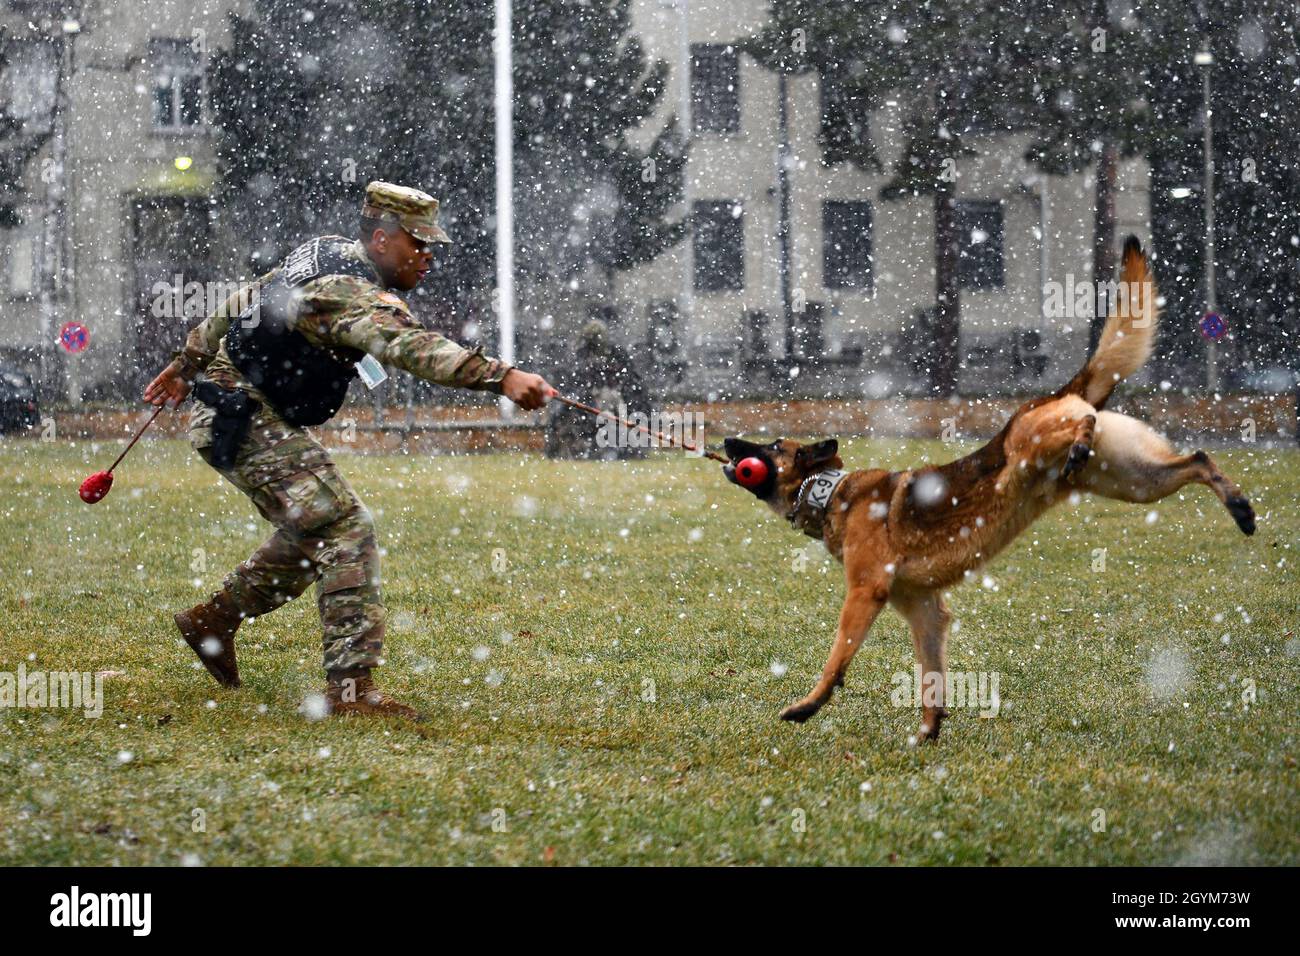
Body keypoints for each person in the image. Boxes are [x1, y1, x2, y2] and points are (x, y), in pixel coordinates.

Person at [143, 181, 552, 721]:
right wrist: (502, 377)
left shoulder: (326, 251)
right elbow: (411, 347)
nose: (428, 257)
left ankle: (213, 620)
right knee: (344, 526)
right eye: (417, 244)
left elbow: (248, 295)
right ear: (382, 240)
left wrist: (186, 361)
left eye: (431, 246)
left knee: (317, 528)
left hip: (234, 404)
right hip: (238, 413)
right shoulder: (349, 292)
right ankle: (351, 693)